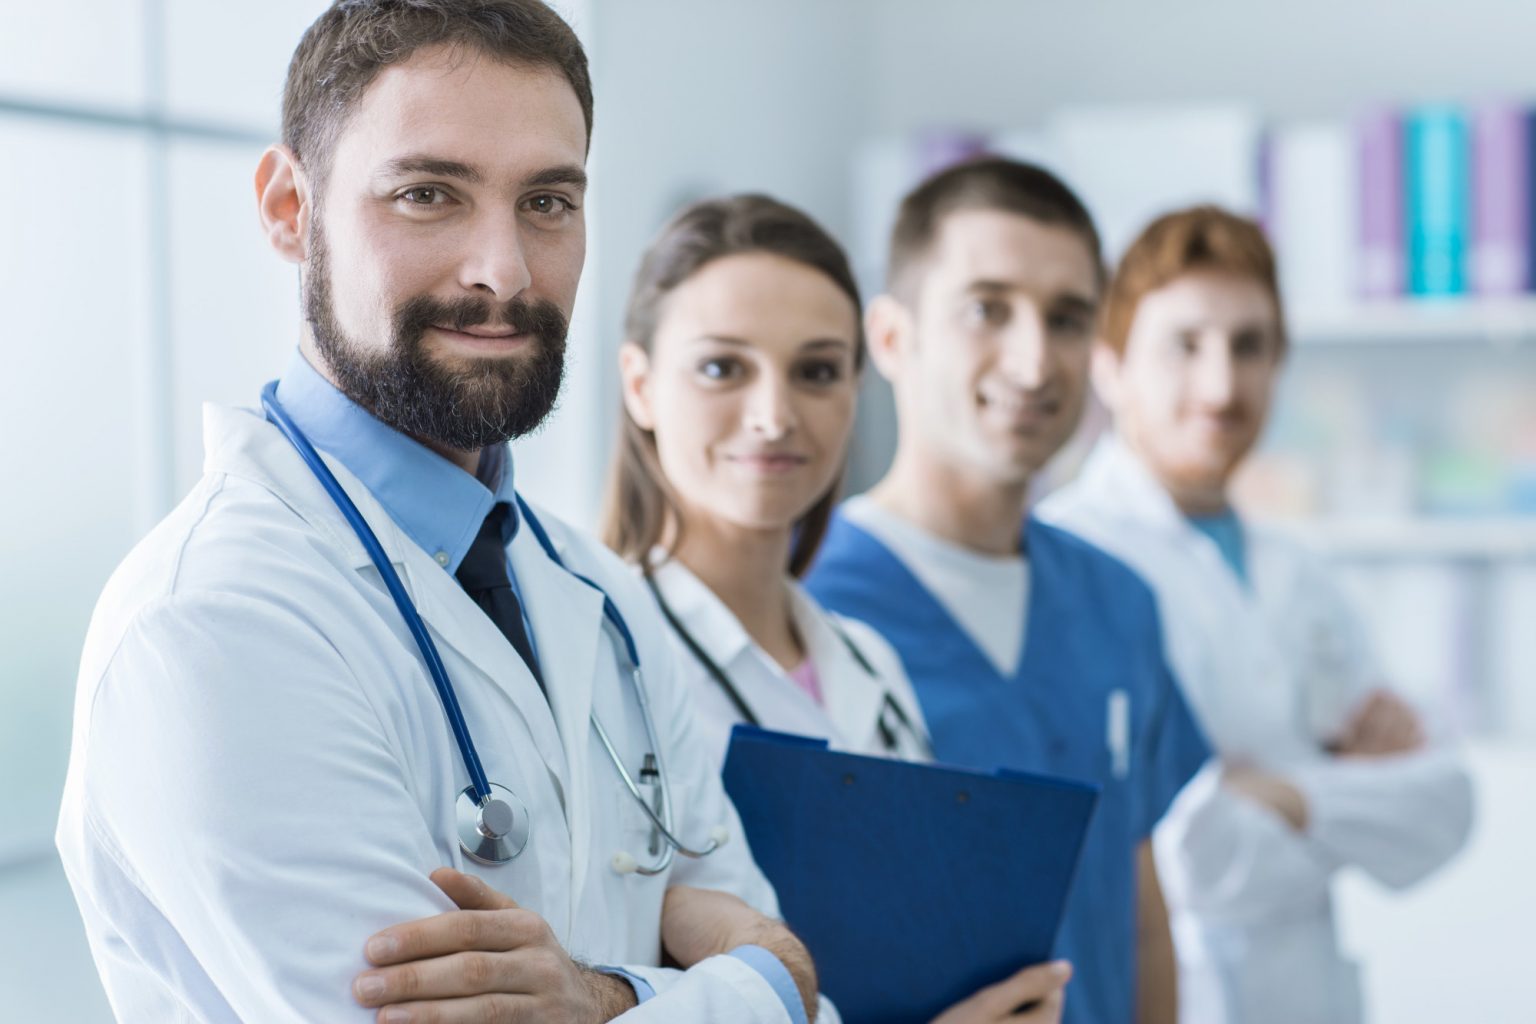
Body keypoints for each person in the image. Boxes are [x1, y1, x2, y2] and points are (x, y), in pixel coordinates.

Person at [54, 3, 826, 1022]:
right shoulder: (213, 622)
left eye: (547, 202)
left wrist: (600, 999)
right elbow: (785, 975)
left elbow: (801, 976)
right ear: (290, 207)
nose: (501, 270)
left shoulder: (599, 596)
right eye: (428, 194)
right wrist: (756, 979)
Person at [601, 193, 1073, 1023]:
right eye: (723, 368)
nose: (774, 415)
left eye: (817, 371)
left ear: (858, 386)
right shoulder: (599, 661)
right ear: (639, 385)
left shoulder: (867, 661)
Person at [1039, 205, 1475, 1024]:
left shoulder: (1300, 569)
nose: (1221, 385)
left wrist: (1286, 795)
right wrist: (1344, 790)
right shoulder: (1068, 562)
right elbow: (1195, 855)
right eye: (1186, 344)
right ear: (1109, 364)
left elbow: (1446, 804)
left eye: (1250, 346)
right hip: (1177, 993)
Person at [805, 157, 1212, 1024]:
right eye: (988, 309)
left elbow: (1140, 914)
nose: (1033, 362)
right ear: (891, 338)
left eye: (1066, 319)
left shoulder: (1119, 605)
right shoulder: (806, 610)